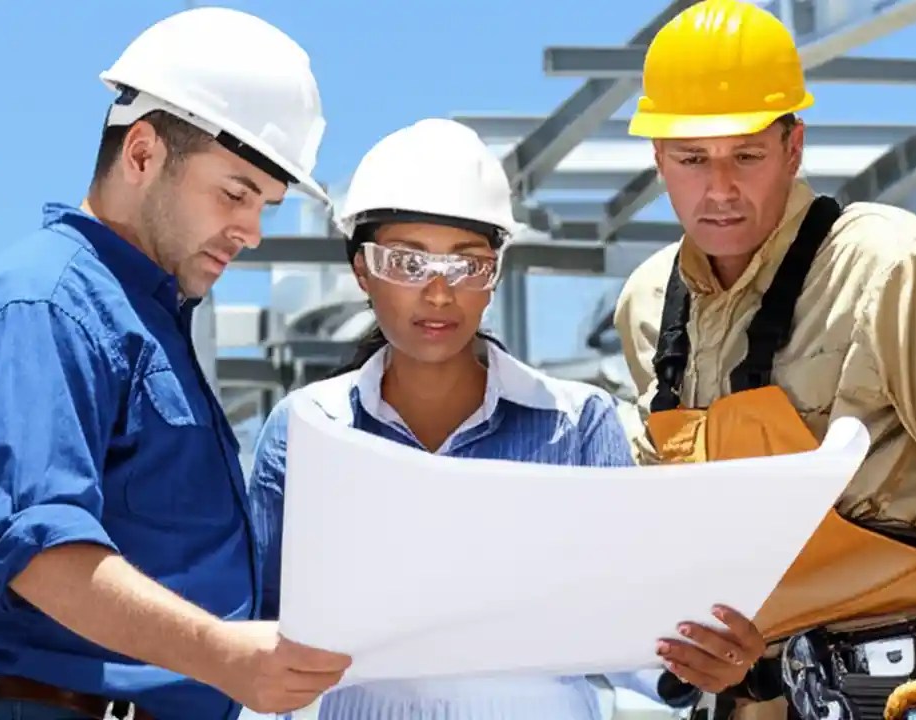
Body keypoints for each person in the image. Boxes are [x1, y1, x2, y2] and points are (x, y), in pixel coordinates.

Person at [610, 1, 916, 719]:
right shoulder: (648, 306)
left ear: (793, 146)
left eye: (747, 156)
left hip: (908, 691)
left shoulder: (882, 263)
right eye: (693, 159)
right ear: (658, 160)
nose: (720, 188)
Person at [0, 7, 351, 720]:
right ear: (142, 154)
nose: (254, 231)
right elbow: (42, 552)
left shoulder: (143, 319)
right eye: (236, 193)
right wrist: (225, 657)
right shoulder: (42, 304)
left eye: (266, 204)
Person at [246, 117, 768, 719]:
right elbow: (265, 630)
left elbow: (630, 633)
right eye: (407, 263)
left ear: (494, 273)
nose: (439, 293)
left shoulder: (576, 425)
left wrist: (705, 663)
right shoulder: (310, 428)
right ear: (361, 269)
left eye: (467, 265)